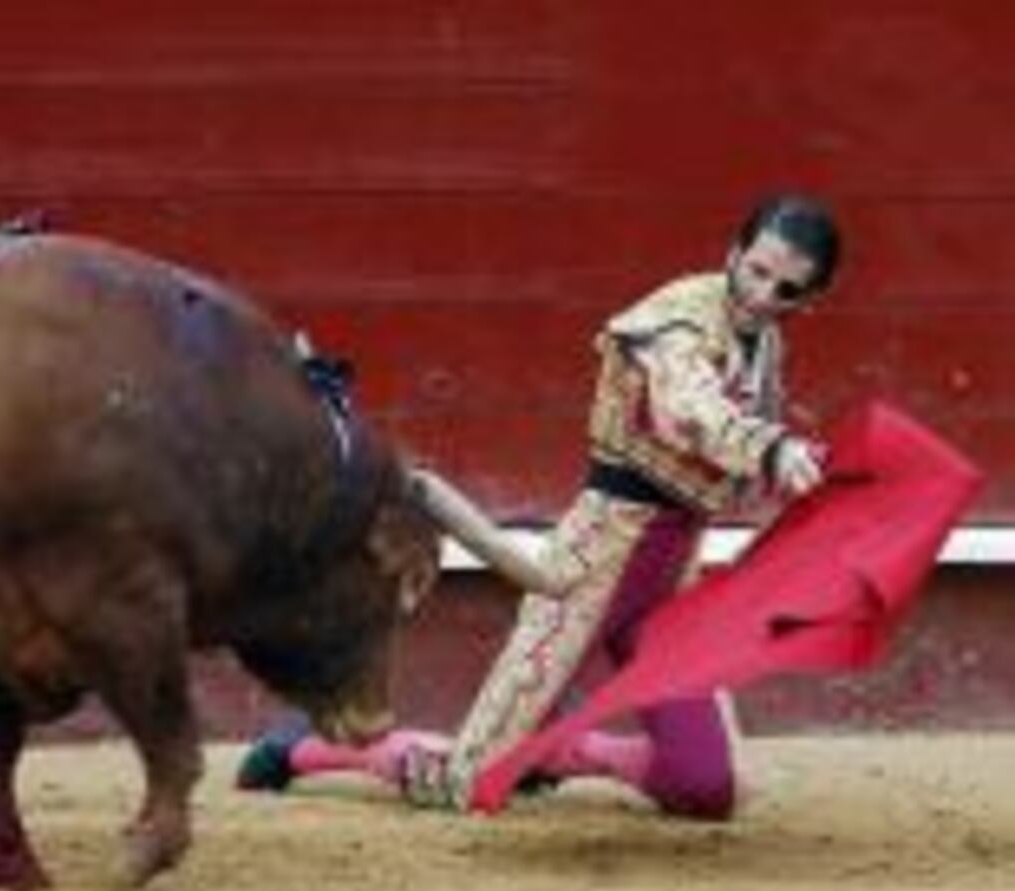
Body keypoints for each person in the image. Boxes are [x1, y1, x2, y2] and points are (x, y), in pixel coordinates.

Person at [237, 193, 842, 819]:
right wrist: (770, 451)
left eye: (787, 290)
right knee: (467, 786)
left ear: (810, 299)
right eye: (756, 272)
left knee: (709, 789)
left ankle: (552, 755)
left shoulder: (765, 340)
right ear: (733, 254)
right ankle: (308, 750)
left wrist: (812, 468)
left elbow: (737, 458)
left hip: (670, 578)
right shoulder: (674, 325)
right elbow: (692, 411)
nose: (763, 296)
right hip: (588, 568)